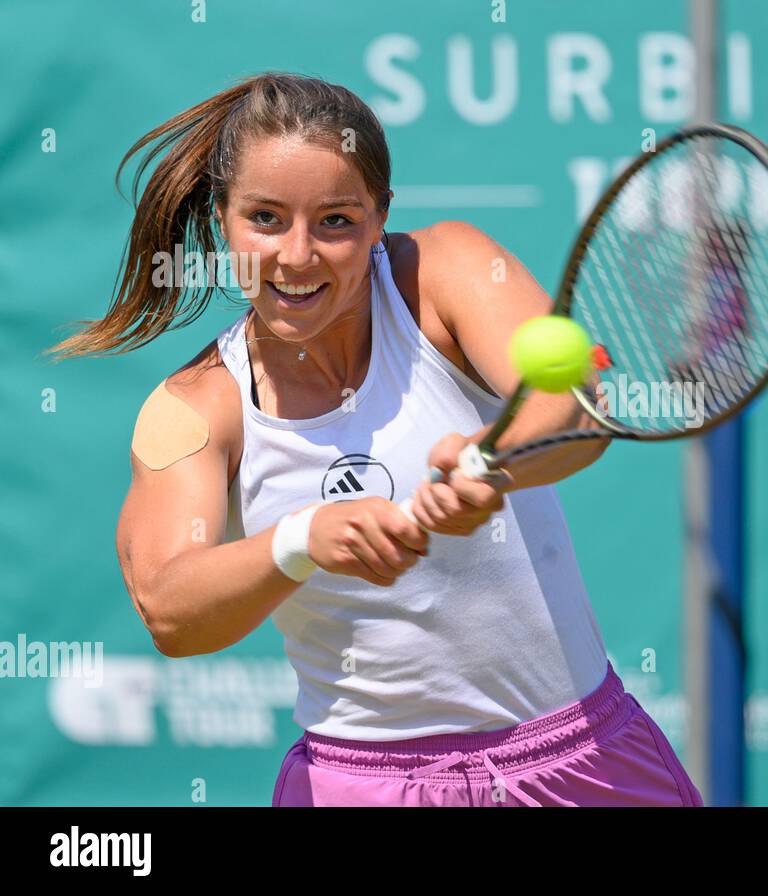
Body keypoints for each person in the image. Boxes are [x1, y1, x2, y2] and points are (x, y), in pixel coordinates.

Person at [49, 72, 702, 807]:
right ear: (221, 221)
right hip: (359, 786)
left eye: (336, 221)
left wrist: (489, 465)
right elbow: (169, 609)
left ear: (381, 216)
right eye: (264, 219)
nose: (297, 256)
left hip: (584, 762)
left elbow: (577, 408)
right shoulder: (195, 407)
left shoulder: (446, 270)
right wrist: (301, 540)